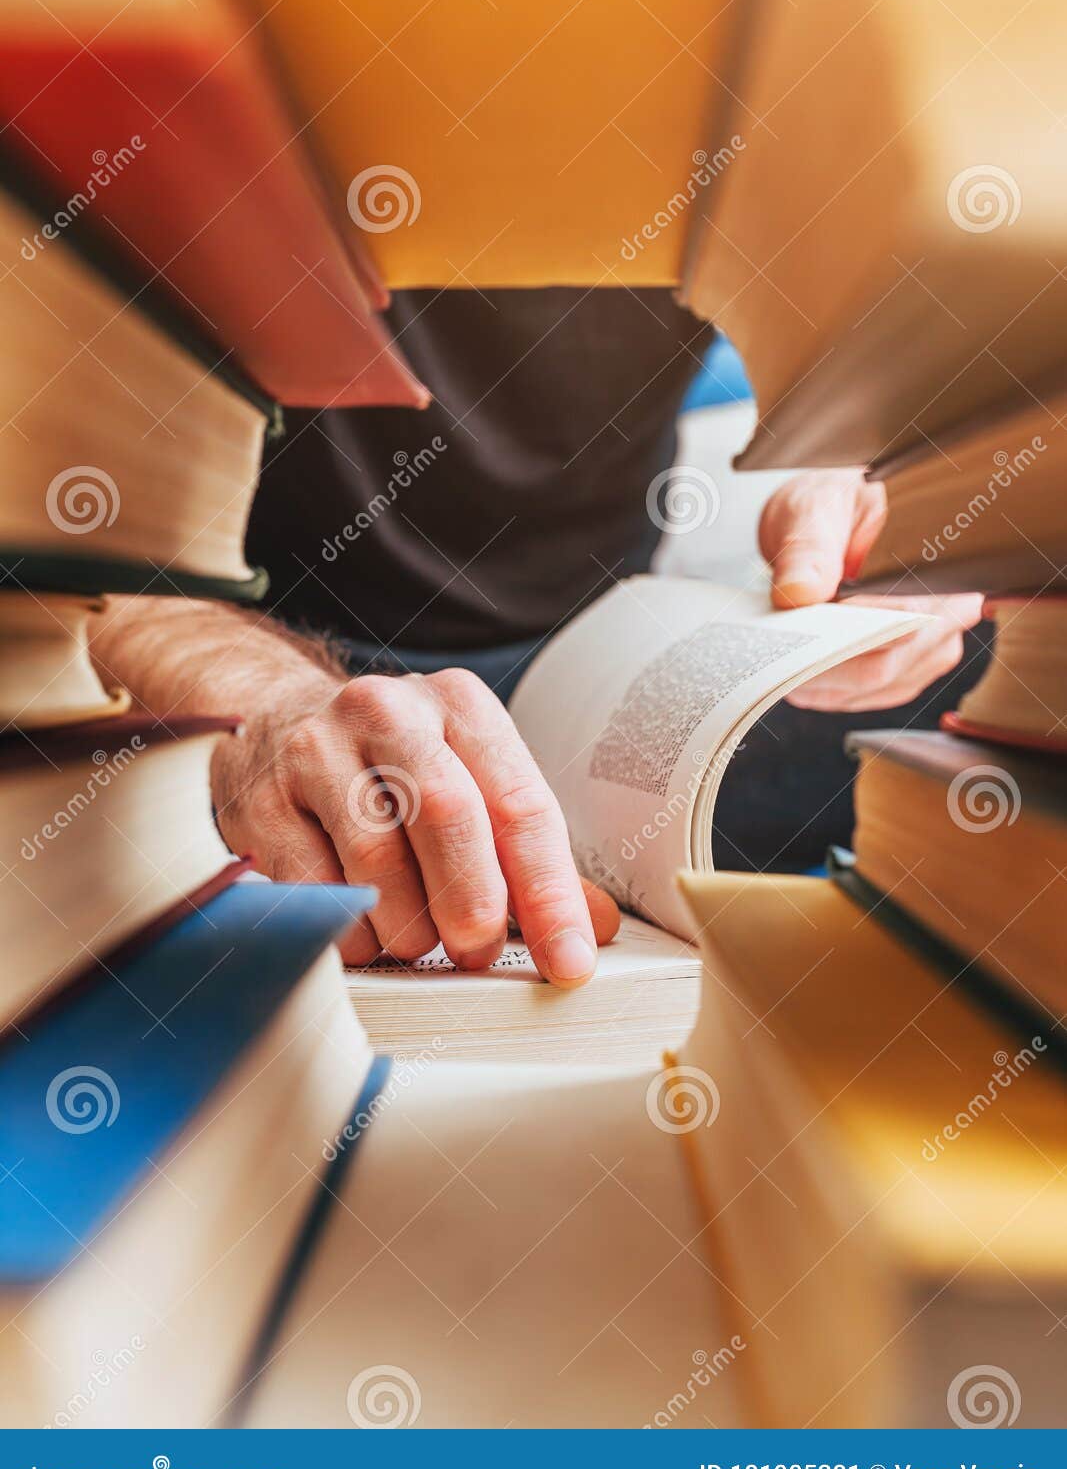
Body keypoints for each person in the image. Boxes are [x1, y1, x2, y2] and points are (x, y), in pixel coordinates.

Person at [91, 291, 985, 989]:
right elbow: (79, 582)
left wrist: (868, 485)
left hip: (609, 679)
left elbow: (851, 345)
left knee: (1007, 660)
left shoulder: (739, 91)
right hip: (276, 667)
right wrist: (270, 715)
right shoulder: (157, 100)